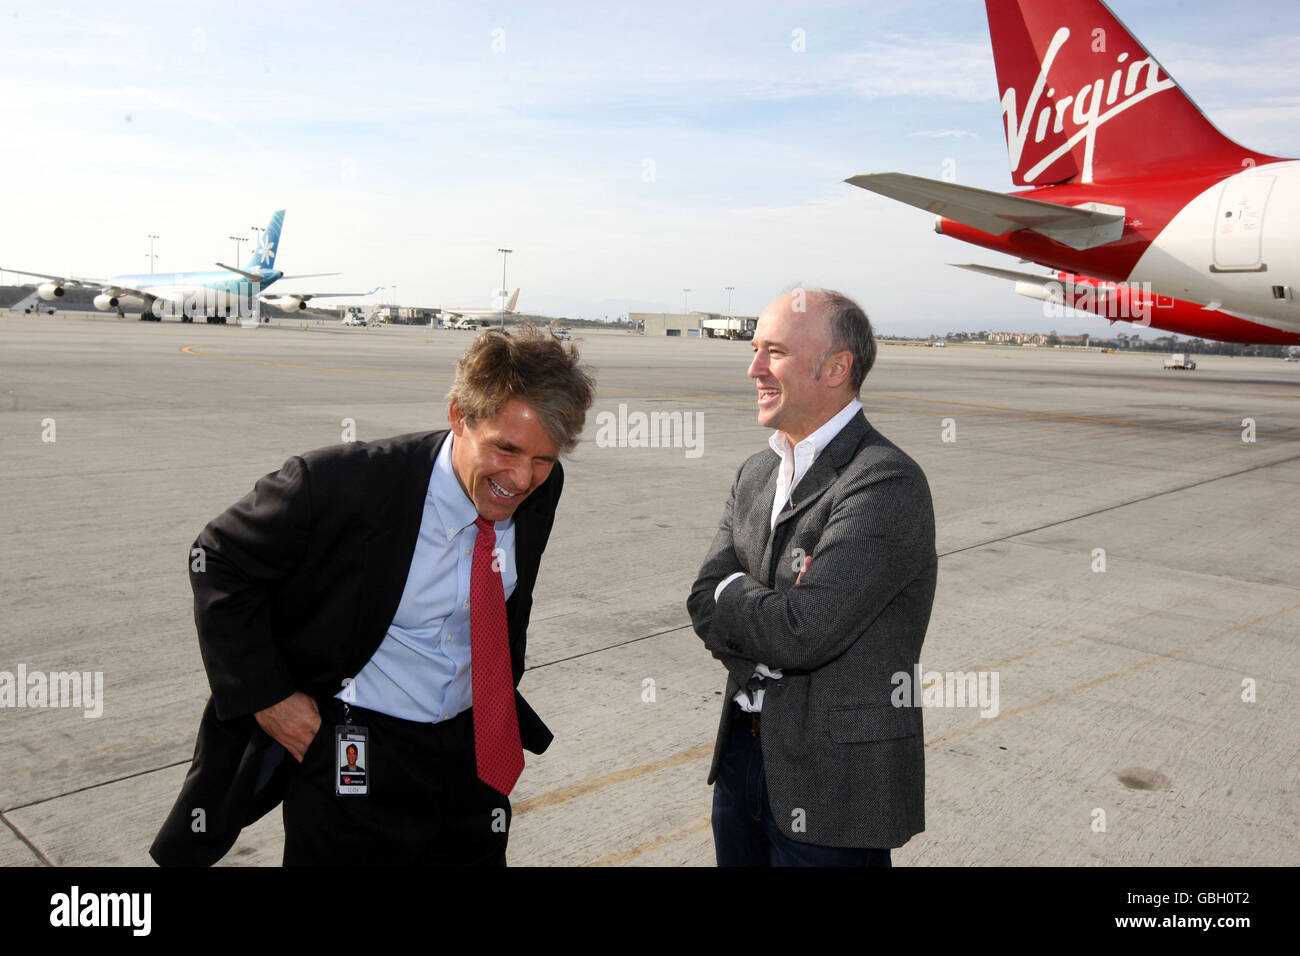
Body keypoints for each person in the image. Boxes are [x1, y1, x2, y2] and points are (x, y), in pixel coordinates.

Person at [151, 325, 595, 866]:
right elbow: (218, 559)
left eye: (543, 459)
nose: (522, 478)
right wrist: (267, 697)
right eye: (506, 448)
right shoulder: (340, 484)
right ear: (460, 416)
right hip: (353, 747)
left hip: (472, 750)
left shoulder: (539, 486)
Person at [687, 288, 937, 867]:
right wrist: (747, 608)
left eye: (773, 352)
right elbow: (703, 598)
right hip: (741, 761)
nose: (753, 368)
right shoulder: (757, 471)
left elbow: (803, 631)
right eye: (755, 350)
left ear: (836, 367)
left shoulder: (884, 482)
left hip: (835, 783)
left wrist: (737, 597)